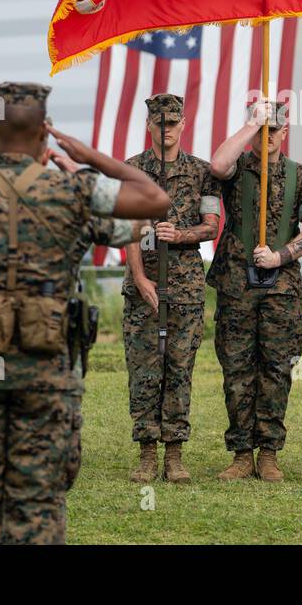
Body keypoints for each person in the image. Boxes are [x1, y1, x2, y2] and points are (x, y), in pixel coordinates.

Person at [0, 82, 170, 545]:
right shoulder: (75, 191)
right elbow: (155, 200)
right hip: (48, 371)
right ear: (45, 135)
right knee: (39, 502)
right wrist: (89, 155)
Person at [207, 100, 302, 482]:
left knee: (278, 368)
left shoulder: (301, 175)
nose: (268, 136)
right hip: (236, 283)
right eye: (262, 129)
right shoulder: (238, 168)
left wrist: (280, 256)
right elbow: (217, 165)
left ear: (285, 132)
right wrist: (250, 125)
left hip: (281, 287)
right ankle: (242, 453)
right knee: (237, 368)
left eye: (274, 129)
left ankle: (269, 452)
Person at [120, 94, 222, 484]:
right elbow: (127, 229)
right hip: (143, 285)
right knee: (144, 368)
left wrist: (179, 234)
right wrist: (140, 278)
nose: (167, 129)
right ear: (149, 125)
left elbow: (211, 226)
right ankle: (147, 452)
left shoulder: (200, 173)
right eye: (160, 122)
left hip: (185, 286)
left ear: (183, 125)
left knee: (180, 367)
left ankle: (175, 453)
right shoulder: (132, 170)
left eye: (173, 122)